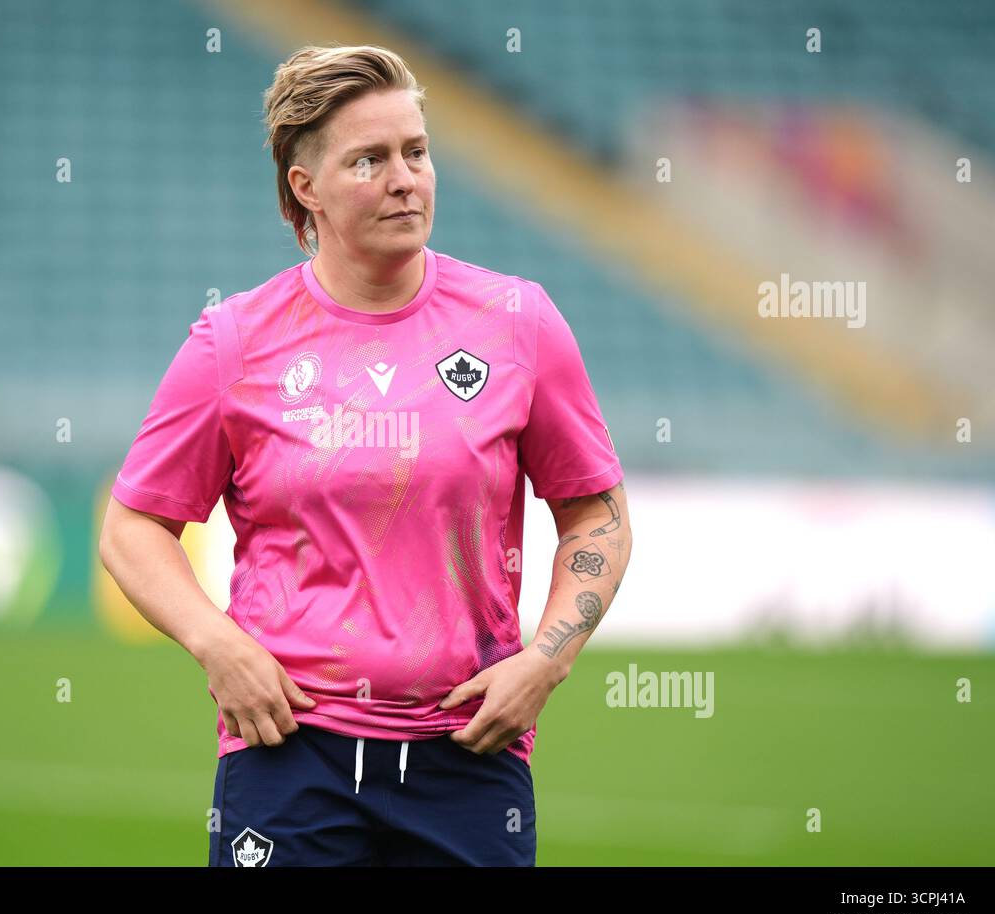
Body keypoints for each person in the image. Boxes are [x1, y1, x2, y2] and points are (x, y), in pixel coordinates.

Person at [99, 44, 631, 867]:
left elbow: (596, 514)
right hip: (287, 758)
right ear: (304, 187)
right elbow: (133, 527)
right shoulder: (234, 342)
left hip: (471, 755)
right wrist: (218, 643)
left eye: (416, 153)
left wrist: (546, 661)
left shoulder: (518, 323)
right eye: (370, 160)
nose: (404, 178)